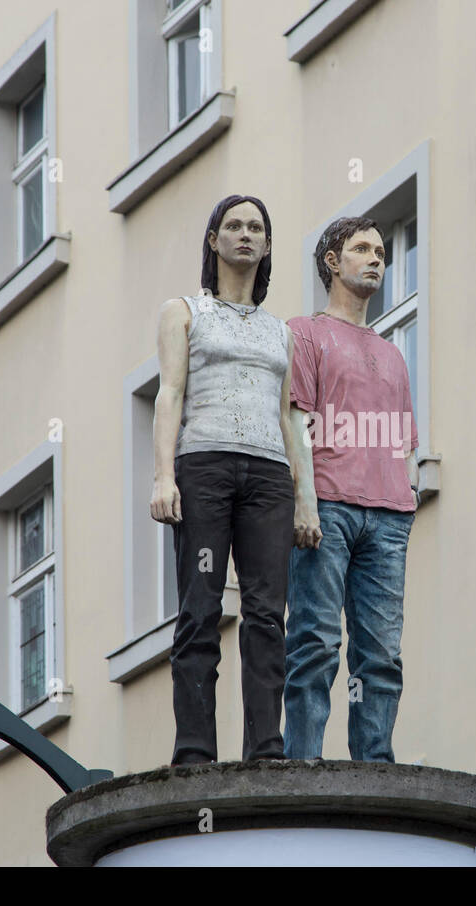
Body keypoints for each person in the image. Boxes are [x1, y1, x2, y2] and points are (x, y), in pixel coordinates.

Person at [150, 194, 306, 765]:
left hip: (268, 475)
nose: (245, 234)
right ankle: (194, 751)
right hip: (204, 466)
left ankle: (266, 748)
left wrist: (304, 500)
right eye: (233, 225)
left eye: (256, 228)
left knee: (267, 614)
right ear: (214, 239)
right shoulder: (184, 311)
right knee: (201, 608)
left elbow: (291, 416)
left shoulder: (281, 332)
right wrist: (164, 476)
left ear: (266, 246)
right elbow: (169, 393)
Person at [283, 216, 419, 763]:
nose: (376, 258)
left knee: (381, 654)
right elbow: (295, 423)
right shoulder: (305, 333)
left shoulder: (392, 353)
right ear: (332, 262)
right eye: (361, 248)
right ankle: (304, 764)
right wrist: (305, 503)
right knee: (316, 642)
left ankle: (375, 766)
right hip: (329, 506)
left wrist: (405, 499)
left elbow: (402, 441)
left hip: (389, 514)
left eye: (381, 251)